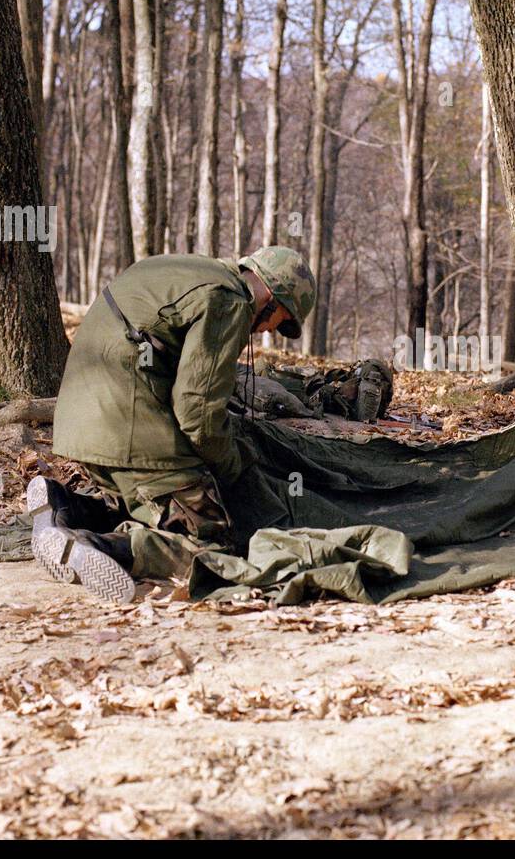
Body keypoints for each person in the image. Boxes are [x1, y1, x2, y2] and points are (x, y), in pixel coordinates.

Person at [28, 246, 316, 603]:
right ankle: (100, 548)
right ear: (273, 296)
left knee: (144, 504)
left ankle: (64, 505)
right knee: (213, 543)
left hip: (80, 422)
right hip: (129, 427)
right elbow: (196, 412)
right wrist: (232, 467)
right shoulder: (229, 300)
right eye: (280, 320)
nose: (270, 330)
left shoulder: (189, 269)